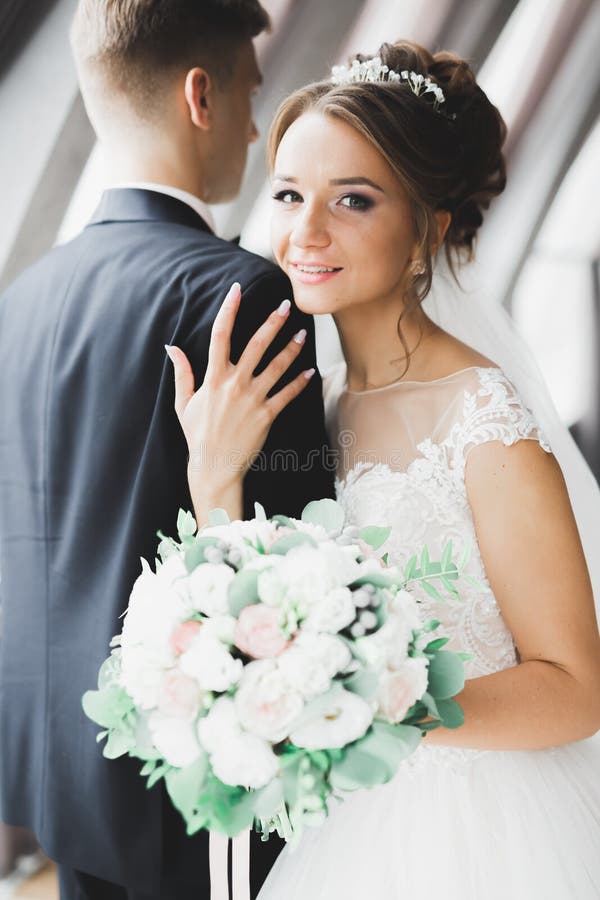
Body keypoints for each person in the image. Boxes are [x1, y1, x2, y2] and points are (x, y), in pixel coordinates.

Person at [167, 40, 600, 898]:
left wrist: (373, 700)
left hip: (479, 832)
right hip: (343, 823)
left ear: (427, 230)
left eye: (353, 200)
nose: (306, 232)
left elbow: (577, 688)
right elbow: (259, 618)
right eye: (289, 194)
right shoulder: (311, 403)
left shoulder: (483, 418)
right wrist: (213, 480)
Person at [0, 1, 335, 898]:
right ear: (201, 96)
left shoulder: (20, 299)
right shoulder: (242, 298)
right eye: (250, 94)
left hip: (56, 777)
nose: (255, 129)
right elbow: (298, 565)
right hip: (195, 792)